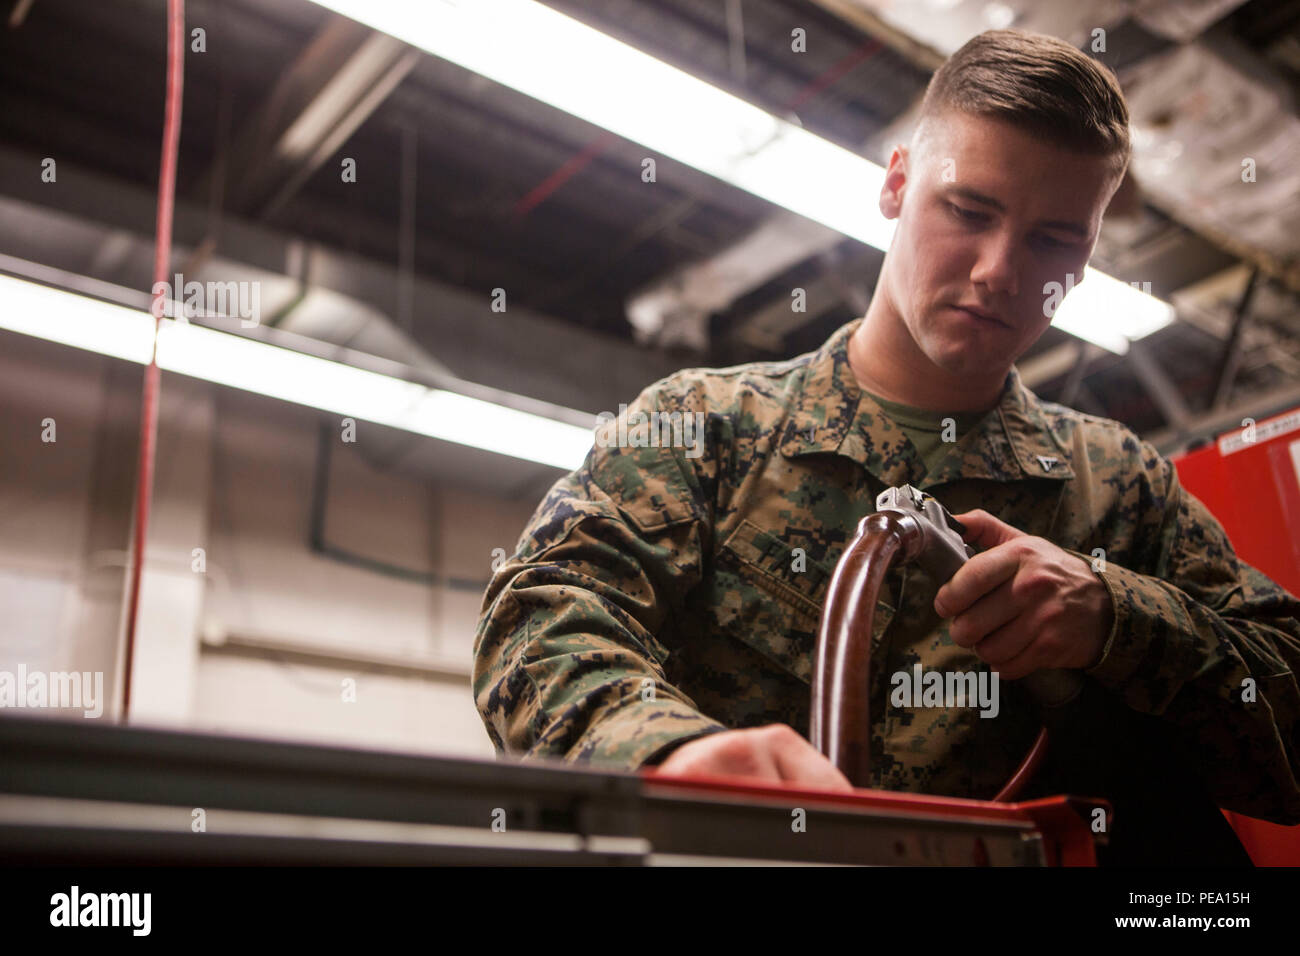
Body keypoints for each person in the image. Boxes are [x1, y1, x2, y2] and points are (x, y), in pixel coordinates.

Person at [472, 29, 1300, 864]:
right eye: (969, 212)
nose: (999, 272)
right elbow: (543, 619)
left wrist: (1117, 619)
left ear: (1087, 256)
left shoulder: (1118, 489)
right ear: (897, 184)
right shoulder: (701, 429)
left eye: (1054, 240)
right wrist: (663, 751)